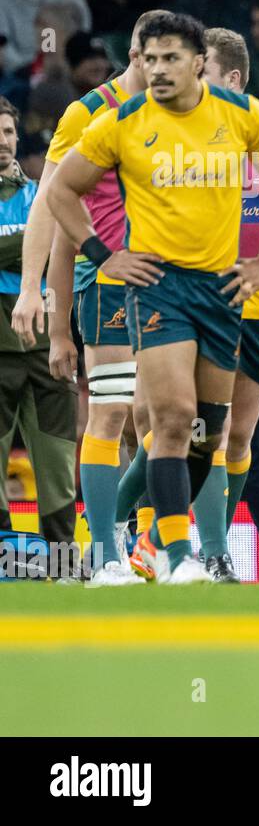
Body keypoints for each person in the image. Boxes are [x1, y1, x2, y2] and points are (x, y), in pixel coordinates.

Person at [43, 12, 259, 585]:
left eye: (170, 58)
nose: (158, 69)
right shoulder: (124, 121)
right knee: (170, 417)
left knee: (206, 430)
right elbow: (61, 188)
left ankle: (124, 534)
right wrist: (102, 254)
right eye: (150, 58)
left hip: (222, 290)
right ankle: (175, 555)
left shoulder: (242, 116)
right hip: (158, 287)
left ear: (198, 63)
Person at [132, 26, 259, 583]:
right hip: (180, 296)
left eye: (202, 70)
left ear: (232, 78)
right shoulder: (170, 129)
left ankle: (171, 545)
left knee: (232, 436)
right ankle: (136, 535)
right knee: (164, 420)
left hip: (258, 304)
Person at [9, 9, 173, 586]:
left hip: (166, 282)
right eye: (158, 60)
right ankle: (103, 552)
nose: (167, 74)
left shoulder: (179, 113)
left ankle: (148, 543)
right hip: (103, 279)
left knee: (163, 421)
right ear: (136, 56)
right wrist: (35, 294)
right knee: (110, 411)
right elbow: (47, 208)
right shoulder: (88, 114)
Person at [0, 96, 79, 574]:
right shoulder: (40, 207)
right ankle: (4, 560)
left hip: (47, 344)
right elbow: (43, 244)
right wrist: (30, 240)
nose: (2, 143)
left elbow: (61, 244)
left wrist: (27, 244)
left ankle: (63, 561)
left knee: (56, 458)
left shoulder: (43, 195)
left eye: (7, 133)